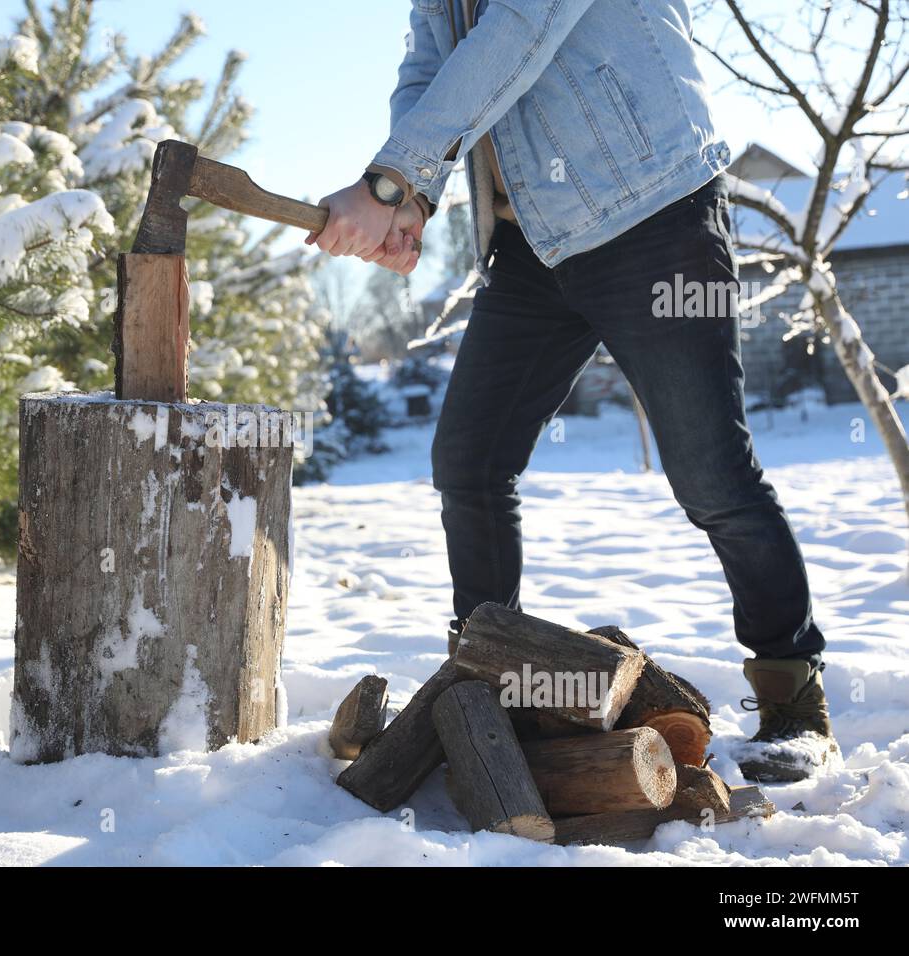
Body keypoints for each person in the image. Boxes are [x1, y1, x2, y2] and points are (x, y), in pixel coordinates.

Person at [305, 0, 836, 782]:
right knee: (470, 462)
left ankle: (793, 699)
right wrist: (414, 196)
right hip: (532, 244)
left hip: (655, 211)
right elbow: (430, 68)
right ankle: (489, 680)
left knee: (711, 473)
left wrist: (388, 183)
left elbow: (518, 29)